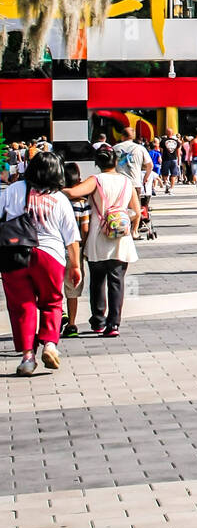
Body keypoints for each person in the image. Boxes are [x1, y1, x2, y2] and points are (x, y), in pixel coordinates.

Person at [0, 151, 82, 375]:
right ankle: (49, 345)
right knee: (52, 302)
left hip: (14, 254)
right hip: (49, 255)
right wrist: (75, 265)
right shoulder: (59, 198)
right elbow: (71, 237)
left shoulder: (14, 190)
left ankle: (27, 358)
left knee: (22, 306)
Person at [64, 146, 140, 337]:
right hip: (121, 237)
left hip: (97, 237)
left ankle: (98, 320)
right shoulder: (126, 182)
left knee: (97, 280)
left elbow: (73, 193)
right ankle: (113, 324)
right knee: (117, 281)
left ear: (97, 163)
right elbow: (136, 211)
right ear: (115, 161)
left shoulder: (95, 180)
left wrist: (54, 190)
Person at [60, 161, 90, 341]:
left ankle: (59, 313)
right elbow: (85, 229)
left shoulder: (57, 200)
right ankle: (71, 324)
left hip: (56, 249)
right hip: (75, 250)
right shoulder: (82, 204)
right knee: (72, 289)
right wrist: (83, 247)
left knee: (54, 286)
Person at [113, 125, 153, 194]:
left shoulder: (115, 148)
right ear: (133, 136)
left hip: (119, 184)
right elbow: (150, 165)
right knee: (135, 204)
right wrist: (145, 178)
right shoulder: (140, 148)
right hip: (135, 183)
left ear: (122, 136)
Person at [160, 128, 183, 193]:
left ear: (166, 133)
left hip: (165, 159)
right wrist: (178, 159)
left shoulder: (163, 141)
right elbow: (178, 152)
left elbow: (161, 151)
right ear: (172, 133)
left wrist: (161, 158)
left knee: (164, 173)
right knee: (174, 174)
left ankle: (166, 183)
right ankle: (172, 187)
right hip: (174, 159)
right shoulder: (177, 142)